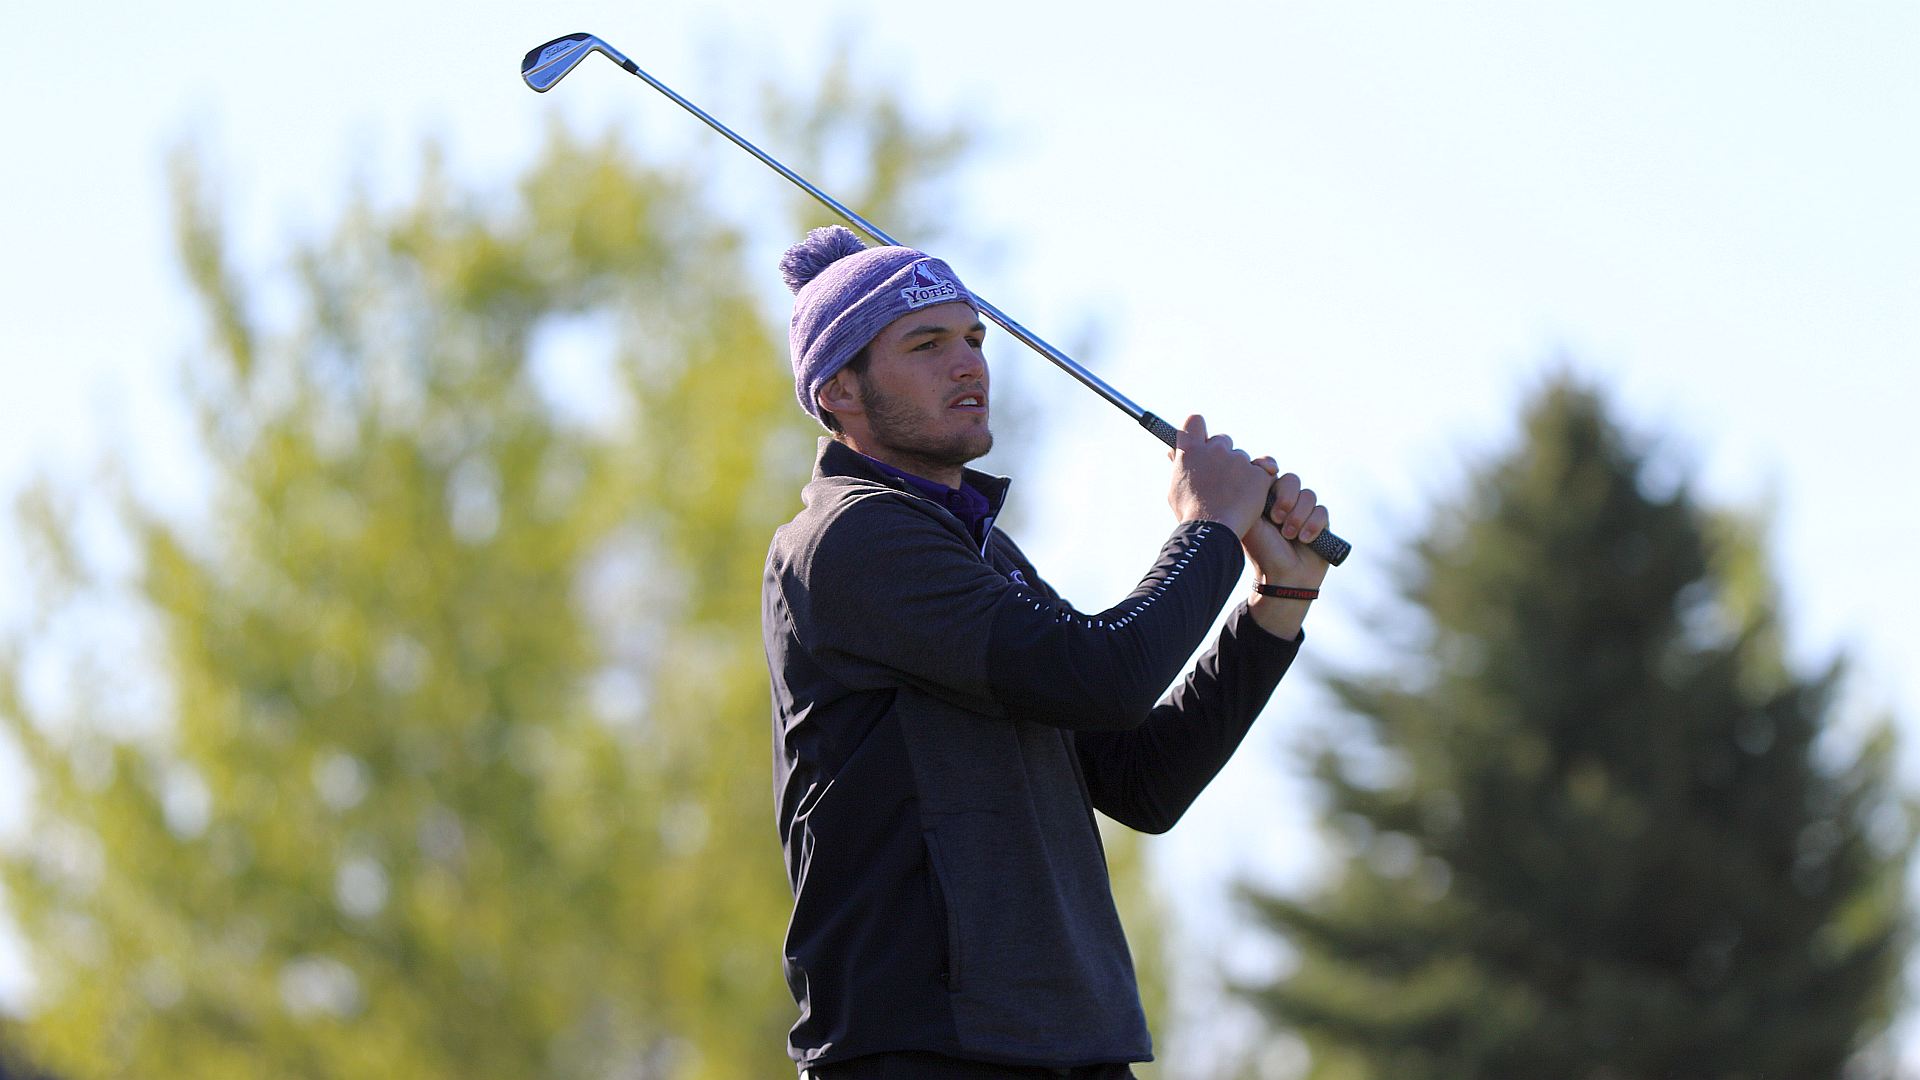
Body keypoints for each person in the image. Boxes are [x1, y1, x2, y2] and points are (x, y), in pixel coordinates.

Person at [762, 226, 1333, 1079]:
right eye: (927, 345)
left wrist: (1274, 604)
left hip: (1067, 1043)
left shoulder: (980, 554)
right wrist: (1208, 527)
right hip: (924, 1050)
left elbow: (1140, 778)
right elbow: (1103, 674)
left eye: (974, 339)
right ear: (838, 388)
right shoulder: (849, 538)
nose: (970, 365)